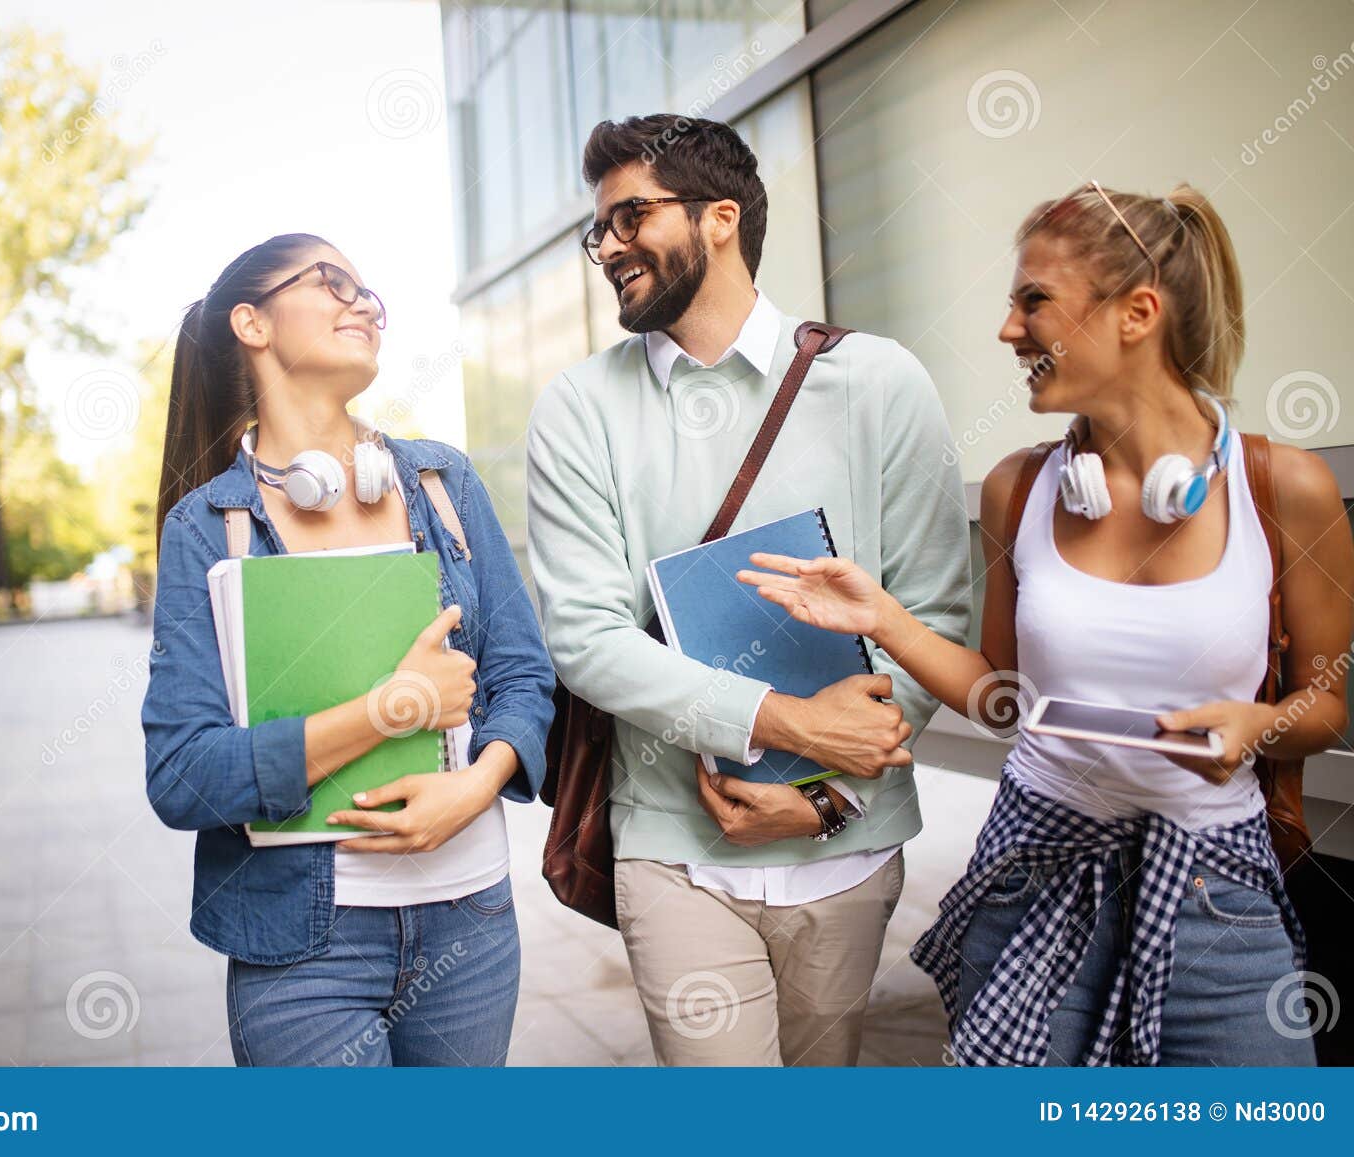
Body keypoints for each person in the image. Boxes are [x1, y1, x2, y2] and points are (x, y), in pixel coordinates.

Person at [738, 182, 1353, 1066]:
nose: (1007, 329)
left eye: (1034, 301)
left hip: (1214, 889)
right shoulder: (1019, 489)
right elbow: (1001, 701)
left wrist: (1263, 723)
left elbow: (1324, 707)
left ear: (1137, 313)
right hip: (1037, 864)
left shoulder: (1283, 489)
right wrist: (884, 617)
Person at [526, 115, 972, 1066]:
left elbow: (935, 619)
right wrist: (791, 725)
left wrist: (827, 800)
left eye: (629, 217)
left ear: (719, 217)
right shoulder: (578, 408)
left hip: (850, 847)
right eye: (596, 230)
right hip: (672, 849)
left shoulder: (881, 382)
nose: (607, 247)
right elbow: (585, 636)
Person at [141, 233, 555, 1067]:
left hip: (470, 922)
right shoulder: (206, 529)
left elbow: (522, 672)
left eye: (370, 293)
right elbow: (182, 773)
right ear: (251, 322)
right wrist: (384, 710)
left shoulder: (444, 484)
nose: (363, 302)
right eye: (332, 282)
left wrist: (474, 787)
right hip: (301, 947)